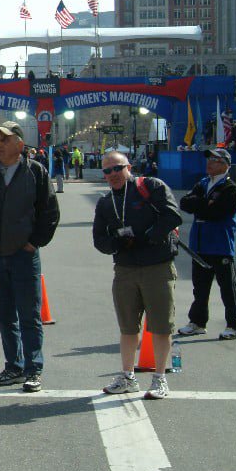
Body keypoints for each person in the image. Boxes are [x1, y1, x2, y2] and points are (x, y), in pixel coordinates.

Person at [0, 121, 60, 393]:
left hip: (23, 255)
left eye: (5, 139)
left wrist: (34, 242)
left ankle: (33, 369)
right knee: (4, 315)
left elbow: (49, 212)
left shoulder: (35, 172)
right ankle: (13, 366)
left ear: (20, 144)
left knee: (29, 315)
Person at [93, 151, 182, 400]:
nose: (112, 174)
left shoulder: (150, 186)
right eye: (107, 171)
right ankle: (127, 377)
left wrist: (148, 237)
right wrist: (117, 243)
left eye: (117, 168)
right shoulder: (105, 202)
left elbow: (172, 215)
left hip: (157, 266)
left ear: (129, 167)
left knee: (161, 326)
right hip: (125, 269)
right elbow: (99, 240)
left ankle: (160, 378)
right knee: (128, 326)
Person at [177, 148, 236, 340]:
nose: (209, 163)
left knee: (228, 288)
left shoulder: (230, 188)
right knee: (200, 287)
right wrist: (205, 203)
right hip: (199, 244)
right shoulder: (203, 183)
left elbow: (218, 212)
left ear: (225, 165)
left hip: (220, 244)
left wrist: (200, 205)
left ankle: (234, 324)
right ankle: (197, 322)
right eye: (209, 159)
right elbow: (185, 203)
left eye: (215, 160)